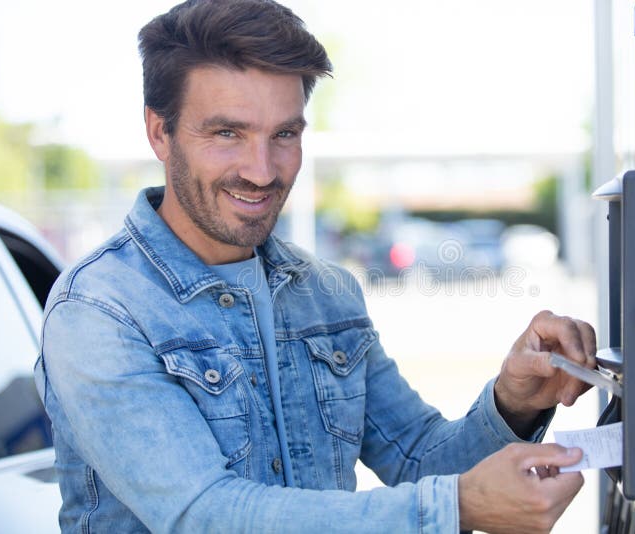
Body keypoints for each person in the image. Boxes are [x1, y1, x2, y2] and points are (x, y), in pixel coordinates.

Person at [34, 1, 597, 532]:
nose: (261, 170)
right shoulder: (99, 309)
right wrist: (455, 505)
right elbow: (204, 516)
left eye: (284, 134)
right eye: (227, 133)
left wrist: (515, 400)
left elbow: (424, 460)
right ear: (161, 131)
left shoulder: (326, 293)